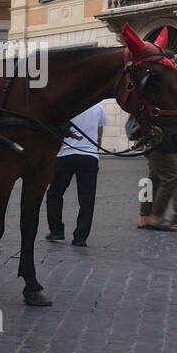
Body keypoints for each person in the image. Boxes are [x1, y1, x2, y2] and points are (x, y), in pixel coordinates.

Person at [138, 53, 177, 231]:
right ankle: (157, 216)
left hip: (160, 137)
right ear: (173, 66)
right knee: (175, 176)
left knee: (151, 179)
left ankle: (144, 216)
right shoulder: (165, 84)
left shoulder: (173, 83)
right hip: (161, 137)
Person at [46, 103, 107, 246]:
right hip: (89, 156)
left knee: (55, 193)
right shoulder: (99, 107)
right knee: (87, 199)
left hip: (65, 155)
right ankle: (80, 237)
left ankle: (56, 231)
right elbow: (99, 136)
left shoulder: (69, 105)